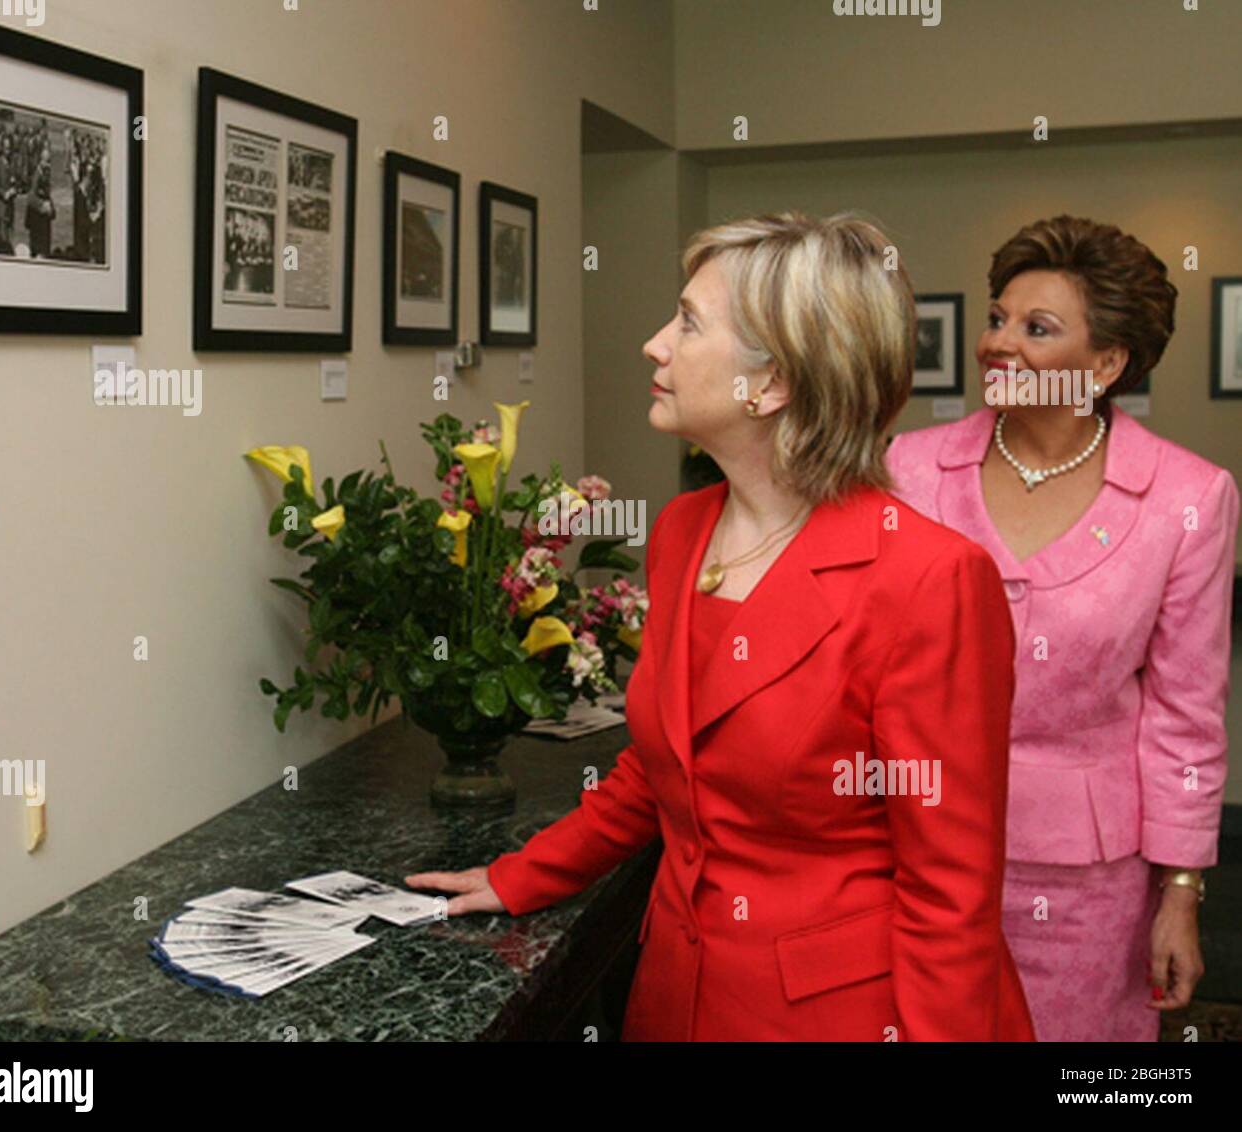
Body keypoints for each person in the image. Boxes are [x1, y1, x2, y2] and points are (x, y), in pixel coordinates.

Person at [406, 211, 1036, 1041]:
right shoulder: (681, 531)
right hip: (675, 994)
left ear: (770, 384)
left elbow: (947, 892)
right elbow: (659, 771)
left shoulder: (929, 580)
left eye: (689, 323)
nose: (655, 344)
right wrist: (519, 878)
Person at [885, 215, 1238, 1041]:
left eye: (1037, 328)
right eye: (999, 317)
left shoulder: (1188, 499)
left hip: (1085, 888)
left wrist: (1181, 894)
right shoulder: (906, 472)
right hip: (911, 852)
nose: (999, 344)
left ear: (1107, 364)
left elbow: (1187, 718)